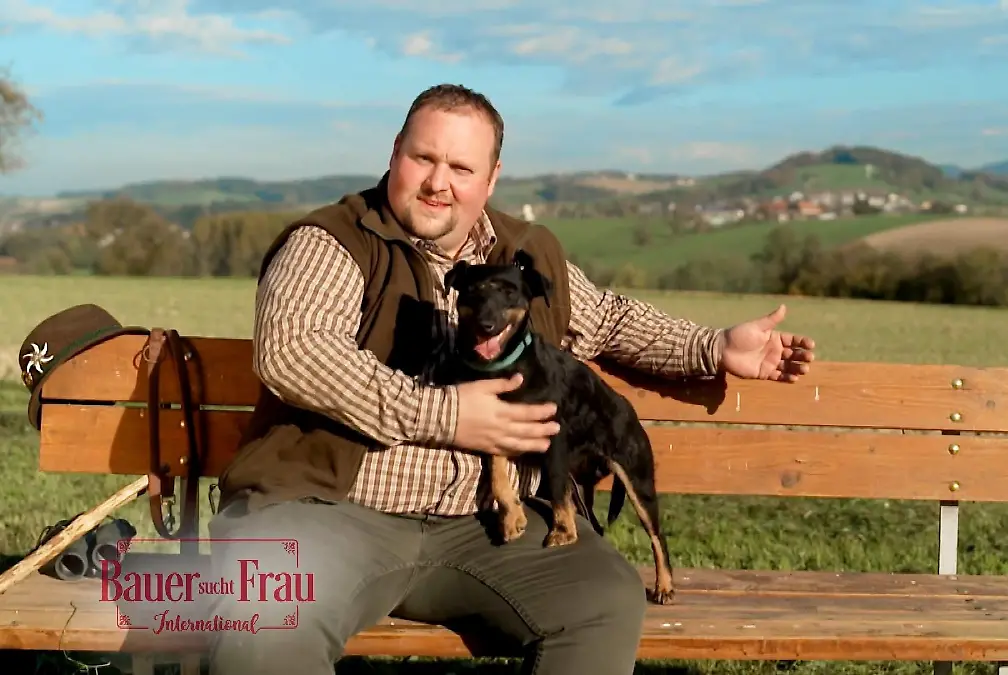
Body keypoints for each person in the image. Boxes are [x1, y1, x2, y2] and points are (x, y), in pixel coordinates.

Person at [203, 83, 816, 675]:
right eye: (423, 158)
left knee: (604, 601)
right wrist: (445, 413)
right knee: (264, 613)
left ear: (492, 178)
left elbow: (607, 320)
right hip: (335, 512)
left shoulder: (525, 254)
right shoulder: (332, 243)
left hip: (491, 525)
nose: (438, 182)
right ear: (395, 154)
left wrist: (711, 347)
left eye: (461, 168)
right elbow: (294, 353)